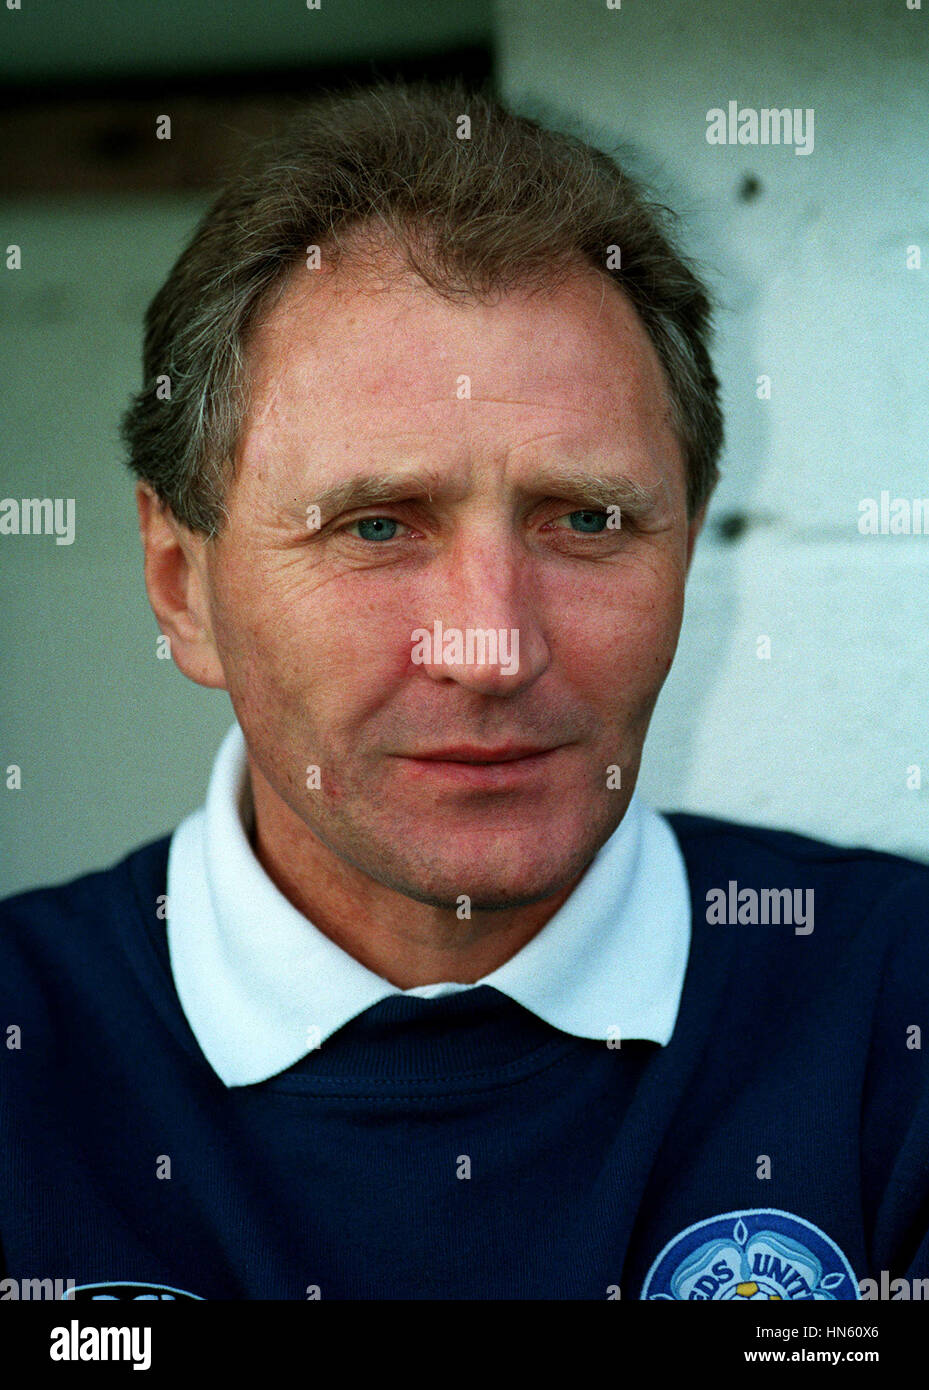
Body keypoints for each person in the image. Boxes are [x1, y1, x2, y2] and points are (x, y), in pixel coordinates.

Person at [2, 82, 927, 1304]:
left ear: (686, 549)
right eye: (377, 524)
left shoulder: (893, 1008)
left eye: (586, 519)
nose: (489, 646)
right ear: (182, 585)